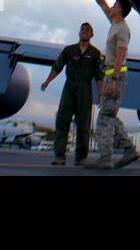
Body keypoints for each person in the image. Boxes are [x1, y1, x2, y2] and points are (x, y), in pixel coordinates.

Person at [87, 0, 139, 169]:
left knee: (104, 118)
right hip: (111, 76)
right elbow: (101, 3)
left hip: (115, 77)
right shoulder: (114, 22)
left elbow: (121, 56)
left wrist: (113, 81)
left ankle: (105, 158)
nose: (112, 5)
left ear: (121, 10)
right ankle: (129, 150)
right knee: (110, 116)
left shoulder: (123, 29)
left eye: (115, 4)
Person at [41, 22, 104, 165]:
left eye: (87, 30)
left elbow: (99, 76)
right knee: (62, 120)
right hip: (69, 87)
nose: (84, 32)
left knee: (83, 124)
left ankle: (81, 157)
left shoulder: (95, 53)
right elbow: (57, 67)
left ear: (92, 35)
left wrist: (100, 94)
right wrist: (47, 81)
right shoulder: (69, 50)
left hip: (85, 88)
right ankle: (59, 155)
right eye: (82, 30)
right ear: (79, 33)